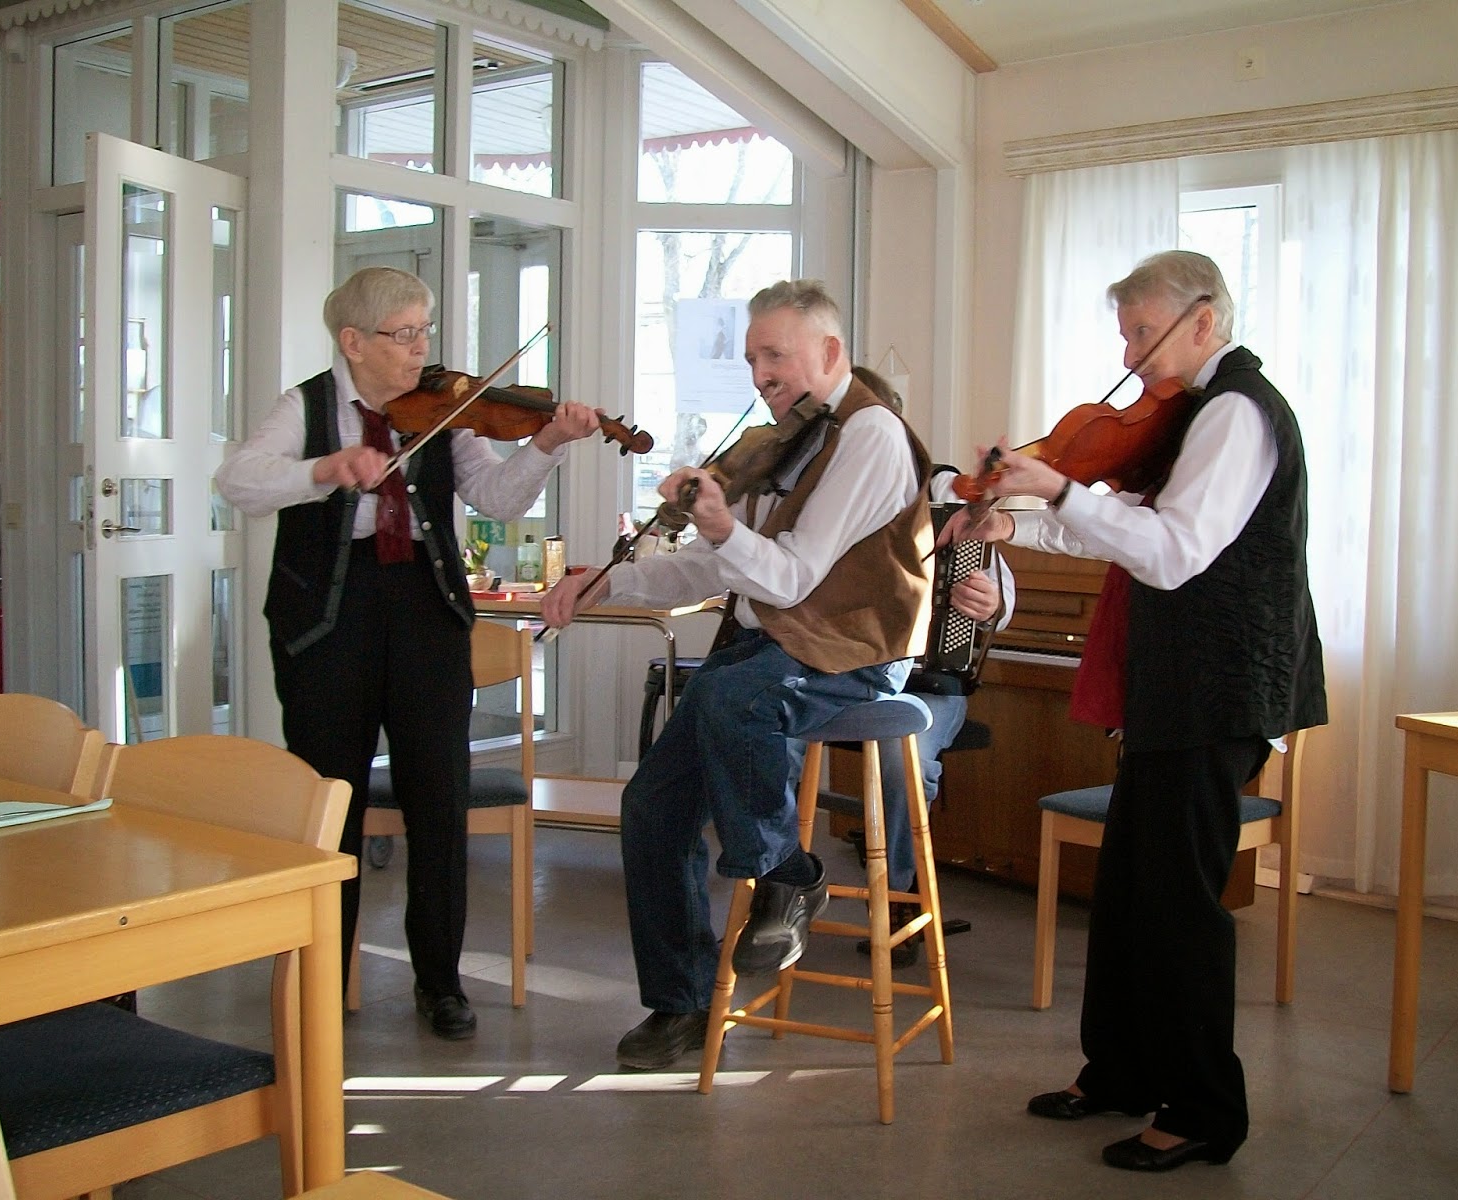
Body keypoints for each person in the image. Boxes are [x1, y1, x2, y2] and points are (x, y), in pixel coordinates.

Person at [943, 250, 1326, 1172]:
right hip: (1176, 684)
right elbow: (1117, 524)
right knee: (1129, 889)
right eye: (1124, 330)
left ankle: (1202, 1111)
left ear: (1204, 320)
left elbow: (1173, 551)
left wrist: (1060, 491)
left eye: (1142, 330)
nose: (1130, 350)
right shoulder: (1190, 413)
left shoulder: (1236, 413)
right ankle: (1118, 1070)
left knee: (1179, 905)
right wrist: (1021, 520)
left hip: (1218, 687)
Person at [541, 279, 935, 1071]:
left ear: (829, 353)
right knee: (651, 806)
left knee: (725, 689)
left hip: (860, 656)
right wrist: (605, 582)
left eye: (775, 355)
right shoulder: (777, 441)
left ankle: (789, 877)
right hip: (773, 654)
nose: (760, 372)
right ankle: (680, 1003)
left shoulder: (871, 435)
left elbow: (788, 579)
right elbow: (704, 572)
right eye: (753, 356)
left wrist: (722, 523)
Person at [214, 266, 601, 1040]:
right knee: (332, 803)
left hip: (425, 611)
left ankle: (440, 982)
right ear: (353, 341)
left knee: (438, 797)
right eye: (406, 334)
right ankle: (322, 974)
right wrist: (324, 468)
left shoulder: (444, 410)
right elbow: (240, 483)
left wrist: (549, 445)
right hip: (326, 620)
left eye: (426, 330)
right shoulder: (308, 405)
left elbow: (496, 500)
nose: (422, 348)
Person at [836, 365, 1015, 968]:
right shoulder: (825, 502)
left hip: (929, 684)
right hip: (845, 676)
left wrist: (990, 600)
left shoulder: (942, 496)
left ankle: (898, 897)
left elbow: (998, 585)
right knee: (762, 722)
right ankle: (781, 881)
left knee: (901, 748)